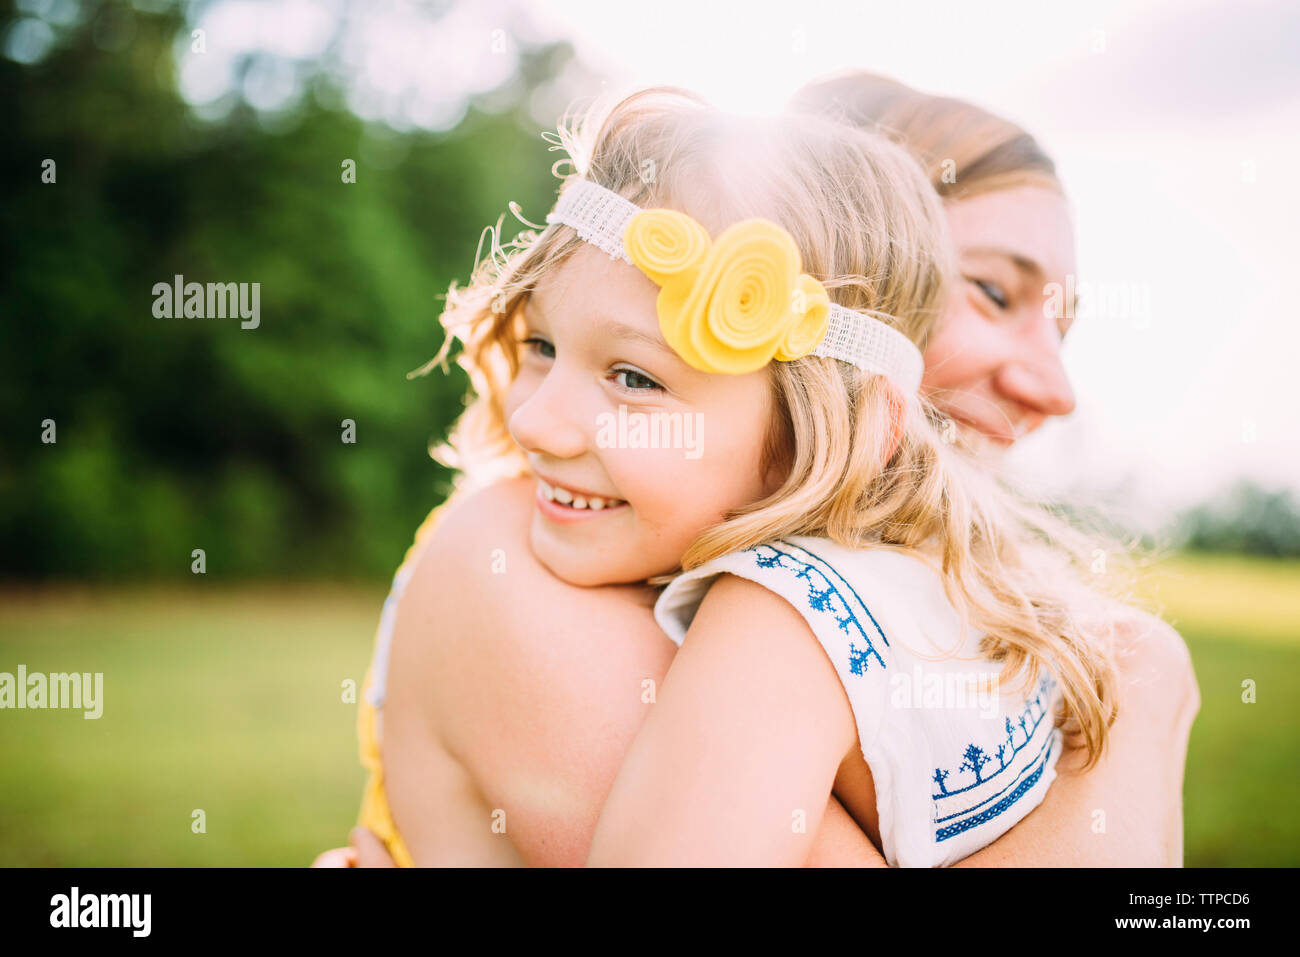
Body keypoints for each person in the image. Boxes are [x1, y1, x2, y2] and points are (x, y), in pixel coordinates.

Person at [316, 78, 1197, 869]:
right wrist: (1138, 710)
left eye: (1064, 326)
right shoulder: (517, 565)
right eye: (991, 291)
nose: (1055, 388)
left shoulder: (872, 621)